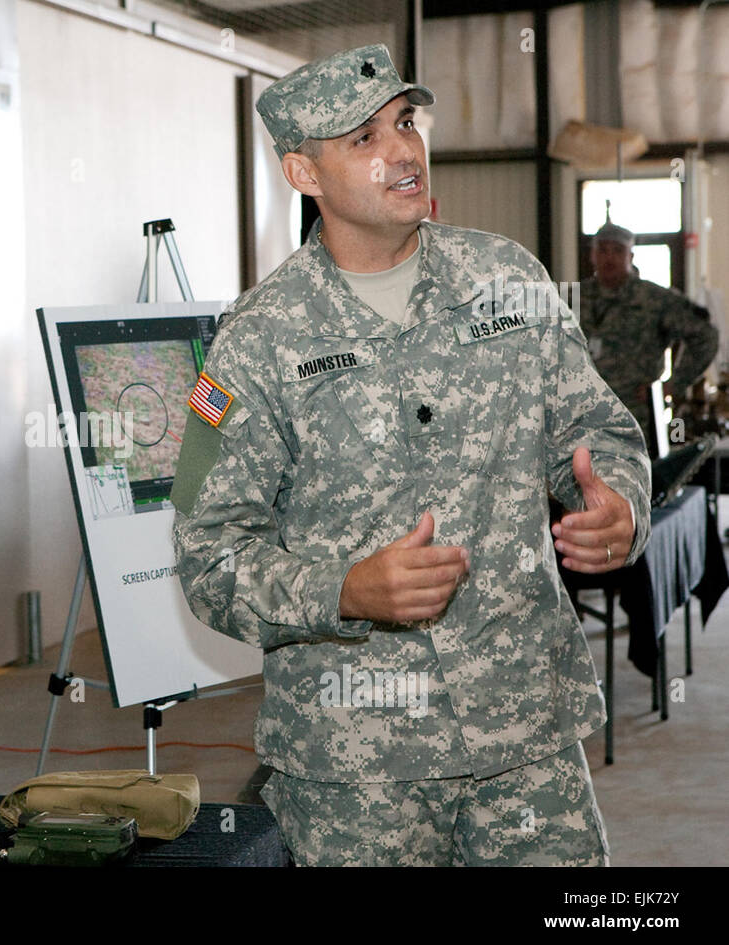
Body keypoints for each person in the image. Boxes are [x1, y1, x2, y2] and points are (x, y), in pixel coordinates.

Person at [170, 44, 652, 866]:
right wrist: (344, 590)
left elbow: (597, 432)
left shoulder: (509, 280)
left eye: (404, 123)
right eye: (362, 139)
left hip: (524, 739)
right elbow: (207, 555)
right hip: (356, 767)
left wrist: (621, 508)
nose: (402, 152)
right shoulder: (252, 343)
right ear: (302, 172)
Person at [578, 221, 717, 455]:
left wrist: (672, 385)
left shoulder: (653, 299)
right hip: (585, 420)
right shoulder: (575, 297)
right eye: (602, 250)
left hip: (637, 419)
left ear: (630, 255)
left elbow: (705, 336)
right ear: (592, 255)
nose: (609, 258)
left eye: (617, 250)